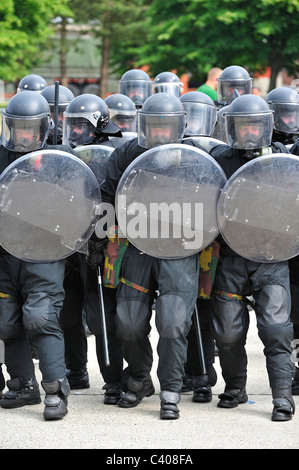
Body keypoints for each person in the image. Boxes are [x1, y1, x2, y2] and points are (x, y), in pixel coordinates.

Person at [89, 93, 200, 420]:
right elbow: (107, 197)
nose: (160, 133)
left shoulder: (195, 156)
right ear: (143, 125)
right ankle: (139, 377)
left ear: (179, 126)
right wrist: (99, 238)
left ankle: (170, 389)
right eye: (154, 126)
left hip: (181, 248)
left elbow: (216, 199)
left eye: (167, 127)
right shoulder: (125, 154)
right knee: (129, 319)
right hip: (137, 245)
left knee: (173, 321)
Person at [209, 94, 295, 421]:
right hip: (230, 256)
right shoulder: (219, 158)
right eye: (242, 124)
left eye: (254, 124)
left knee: (276, 329)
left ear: (266, 125)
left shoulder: (282, 158)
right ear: (232, 126)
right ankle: (235, 387)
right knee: (227, 333)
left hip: (271, 257)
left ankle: (283, 398)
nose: (248, 131)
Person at [0, 91, 73, 420]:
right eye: (17, 127)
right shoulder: (1, 155)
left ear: (43, 127)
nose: (23, 134)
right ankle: (21, 385)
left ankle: (56, 390)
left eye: (29, 128)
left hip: (45, 252)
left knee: (40, 318)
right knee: (6, 320)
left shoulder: (63, 159)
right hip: (6, 252)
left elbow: (79, 207)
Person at [62, 93, 127, 404]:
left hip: (105, 245)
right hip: (68, 243)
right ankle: (75, 371)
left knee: (106, 315)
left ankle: (114, 378)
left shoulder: (114, 153)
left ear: (99, 127)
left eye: (80, 126)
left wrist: (102, 241)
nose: (74, 133)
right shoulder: (61, 154)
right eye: (70, 126)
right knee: (70, 312)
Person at [179, 91, 219, 402]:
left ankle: (203, 372)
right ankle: (188, 371)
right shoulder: (172, 150)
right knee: (182, 308)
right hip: (179, 235)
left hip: (210, 240)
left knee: (202, 308)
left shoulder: (219, 150)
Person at [266, 86, 299, 394]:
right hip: (275, 243)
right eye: (283, 115)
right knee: (284, 315)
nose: (289, 121)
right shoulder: (259, 146)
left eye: (293, 114)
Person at [212, 65, 253, 142]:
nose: (234, 93)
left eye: (238, 89)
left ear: (245, 89)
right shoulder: (215, 108)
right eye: (229, 89)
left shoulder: (253, 108)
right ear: (222, 90)